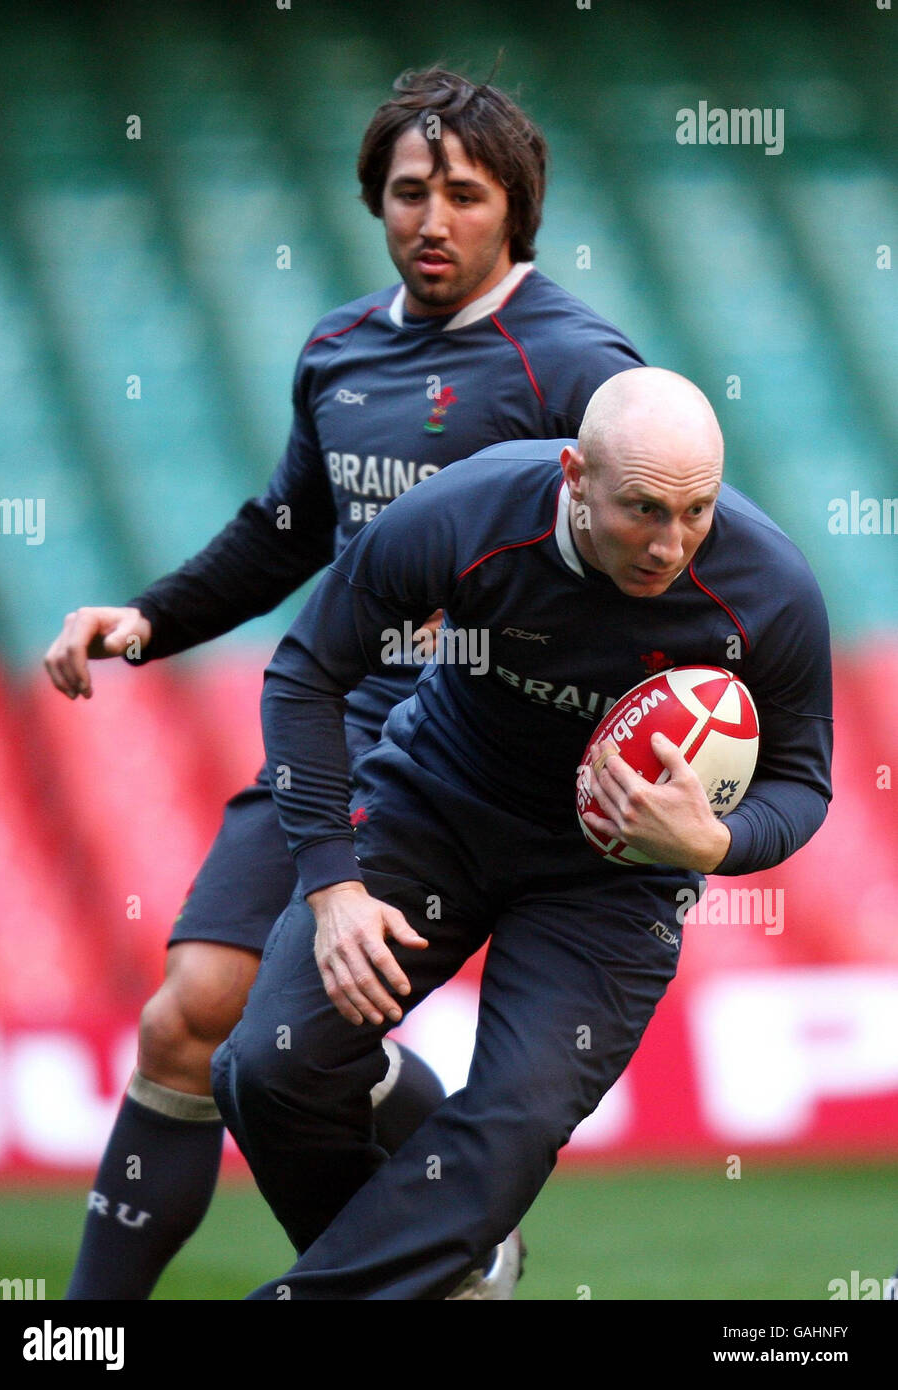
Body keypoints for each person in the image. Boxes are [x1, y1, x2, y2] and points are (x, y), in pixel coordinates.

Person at [44, 66, 645, 1300]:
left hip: (463, 750)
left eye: (464, 195)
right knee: (185, 1018)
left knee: (285, 1049)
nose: (433, 219)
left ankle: (434, 1244)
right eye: (408, 191)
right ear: (375, 199)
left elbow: (653, 550)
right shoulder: (339, 350)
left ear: (513, 210)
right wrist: (145, 616)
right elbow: (285, 529)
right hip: (331, 724)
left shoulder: (578, 366)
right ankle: (80, 1331)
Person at [212, 366, 834, 1299]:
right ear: (573, 476)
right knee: (267, 1069)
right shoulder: (462, 515)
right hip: (436, 801)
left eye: (696, 511)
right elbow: (305, 675)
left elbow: (803, 783)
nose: (671, 545)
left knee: (516, 1119)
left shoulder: (768, 590)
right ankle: (459, 1265)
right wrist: (333, 885)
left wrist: (713, 846)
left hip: (613, 877)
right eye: (642, 510)